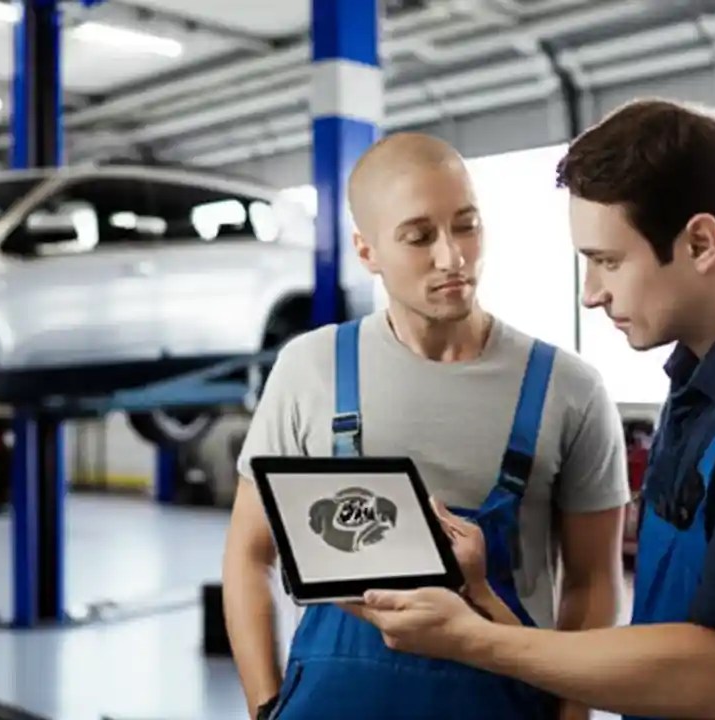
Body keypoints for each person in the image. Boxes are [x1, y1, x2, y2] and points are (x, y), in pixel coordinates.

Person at [345, 99, 715, 719]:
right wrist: (478, 601)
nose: (591, 293)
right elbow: (653, 644)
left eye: (608, 261)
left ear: (700, 242)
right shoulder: (703, 389)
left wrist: (472, 638)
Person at [221, 131, 632, 720]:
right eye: (418, 237)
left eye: (467, 225)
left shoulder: (569, 390)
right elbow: (248, 555)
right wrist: (264, 707)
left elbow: (593, 583)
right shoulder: (308, 371)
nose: (452, 257)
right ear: (367, 252)